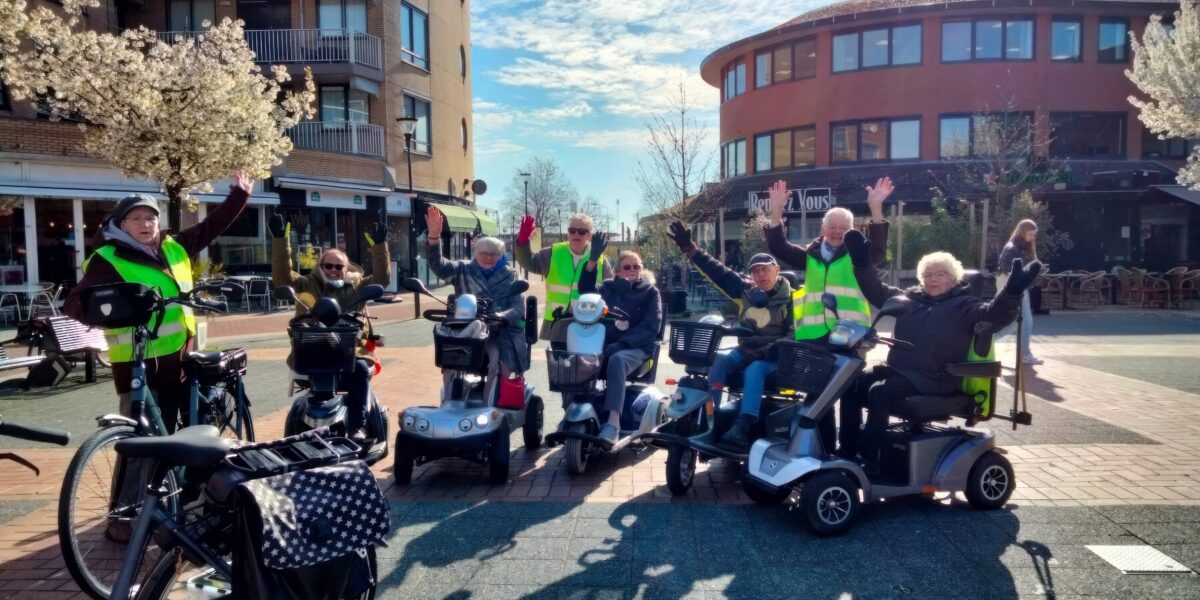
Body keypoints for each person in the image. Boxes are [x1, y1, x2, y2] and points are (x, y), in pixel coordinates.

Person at [63, 170, 254, 542]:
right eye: (137, 218)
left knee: (191, 431)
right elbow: (75, 304)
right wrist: (122, 308)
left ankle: (194, 500)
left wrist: (239, 196)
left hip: (183, 359)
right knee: (142, 440)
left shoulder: (172, 247)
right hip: (139, 368)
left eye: (151, 217)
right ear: (120, 224)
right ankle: (123, 516)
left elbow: (210, 227)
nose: (146, 223)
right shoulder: (107, 259)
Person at [837, 229, 1041, 467]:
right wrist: (862, 264)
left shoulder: (965, 305)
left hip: (936, 378)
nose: (932, 279)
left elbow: (994, 317)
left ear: (953, 278)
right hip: (901, 371)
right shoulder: (911, 298)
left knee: (879, 392)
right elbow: (877, 291)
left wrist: (1011, 293)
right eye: (927, 274)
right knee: (850, 384)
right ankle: (847, 450)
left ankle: (870, 458)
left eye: (940, 274)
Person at [666, 221, 793, 446]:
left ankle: (744, 424)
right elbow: (718, 272)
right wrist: (690, 249)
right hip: (745, 349)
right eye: (755, 271)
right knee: (719, 359)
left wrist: (764, 352)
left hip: (776, 356)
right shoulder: (746, 291)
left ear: (777, 271)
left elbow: (793, 336)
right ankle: (710, 416)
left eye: (765, 269)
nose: (760, 275)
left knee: (754, 368)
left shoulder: (793, 298)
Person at [269, 212, 391, 442]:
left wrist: (380, 246)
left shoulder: (356, 287)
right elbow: (282, 278)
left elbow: (381, 280)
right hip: (311, 350)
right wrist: (279, 239)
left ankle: (358, 427)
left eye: (338, 266)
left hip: (350, 352)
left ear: (346, 269)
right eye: (328, 266)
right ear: (320, 266)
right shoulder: (305, 283)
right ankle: (302, 425)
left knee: (361, 370)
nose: (333, 270)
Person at [764, 177, 894, 342]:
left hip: (851, 333)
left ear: (851, 230)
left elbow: (878, 252)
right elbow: (778, 246)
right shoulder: (810, 256)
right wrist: (776, 210)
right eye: (832, 227)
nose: (837, 231)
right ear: (823, 229)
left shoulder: (858, 257)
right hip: (812, 335)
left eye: (843, 228)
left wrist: (876, 209)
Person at [425, 206, 529, 405]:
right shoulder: (463, 269)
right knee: (449, 360)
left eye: (494, 254)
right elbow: (438, 265)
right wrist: (434, 236)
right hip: (465, 330)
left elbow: (518, 307)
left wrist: (502, 317)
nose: (488, 258)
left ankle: (491, 406)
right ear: (475, 252)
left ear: (500, 255)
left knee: (498, 361)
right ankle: (448, 404)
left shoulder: (510, 274)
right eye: (484, 253)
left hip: (500, 332)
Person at [578, 244, 662, 444]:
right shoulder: (607, 287)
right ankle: (576, 411)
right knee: (574, 359)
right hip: (604, 345)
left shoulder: (650, 292)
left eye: (637, 266)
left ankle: (613, 424)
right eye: (627, 267)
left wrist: (623, 343)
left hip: (636, 348)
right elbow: (585, 290)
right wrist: (592, 262)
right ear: (617, 271)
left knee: (616, 359)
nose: (633, 270)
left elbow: (651, 327)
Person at [515, 212, 614, 339]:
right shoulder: (553, 252)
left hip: (588, 323)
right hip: (556, 323)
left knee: (585, 359)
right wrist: (522, 241)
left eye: (581, 231)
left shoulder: (599, 260)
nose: (576, 234)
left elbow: (609, 292)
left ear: (589, 235)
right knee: (557, 359)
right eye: (572, 230)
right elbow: (529, 262)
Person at [997, 219, 1041, 365]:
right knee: (1025, 321)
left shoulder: (1017, 246)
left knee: (1016, 322)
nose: (1032, 237)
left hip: (1011, 283)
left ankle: (984, 340)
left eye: (1034, 234)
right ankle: (1025, 355)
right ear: (1023, 232)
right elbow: (1006, 267)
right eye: (1030, 234)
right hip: (1013, 284)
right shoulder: (1013, 248)